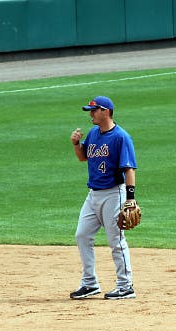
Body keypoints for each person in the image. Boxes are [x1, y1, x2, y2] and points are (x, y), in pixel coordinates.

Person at [69, 96, 138, 300]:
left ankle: (125, 286)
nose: (90, 114)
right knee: (82, 235)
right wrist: (75, 144)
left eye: (93, 110)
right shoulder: (94, 134)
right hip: (93, 194)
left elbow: (129, 168)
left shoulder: (120, 137)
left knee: (115, 240)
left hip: (113, 193)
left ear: (105, 111)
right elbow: (83, 157)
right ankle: (90, 283)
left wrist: (130, 198)